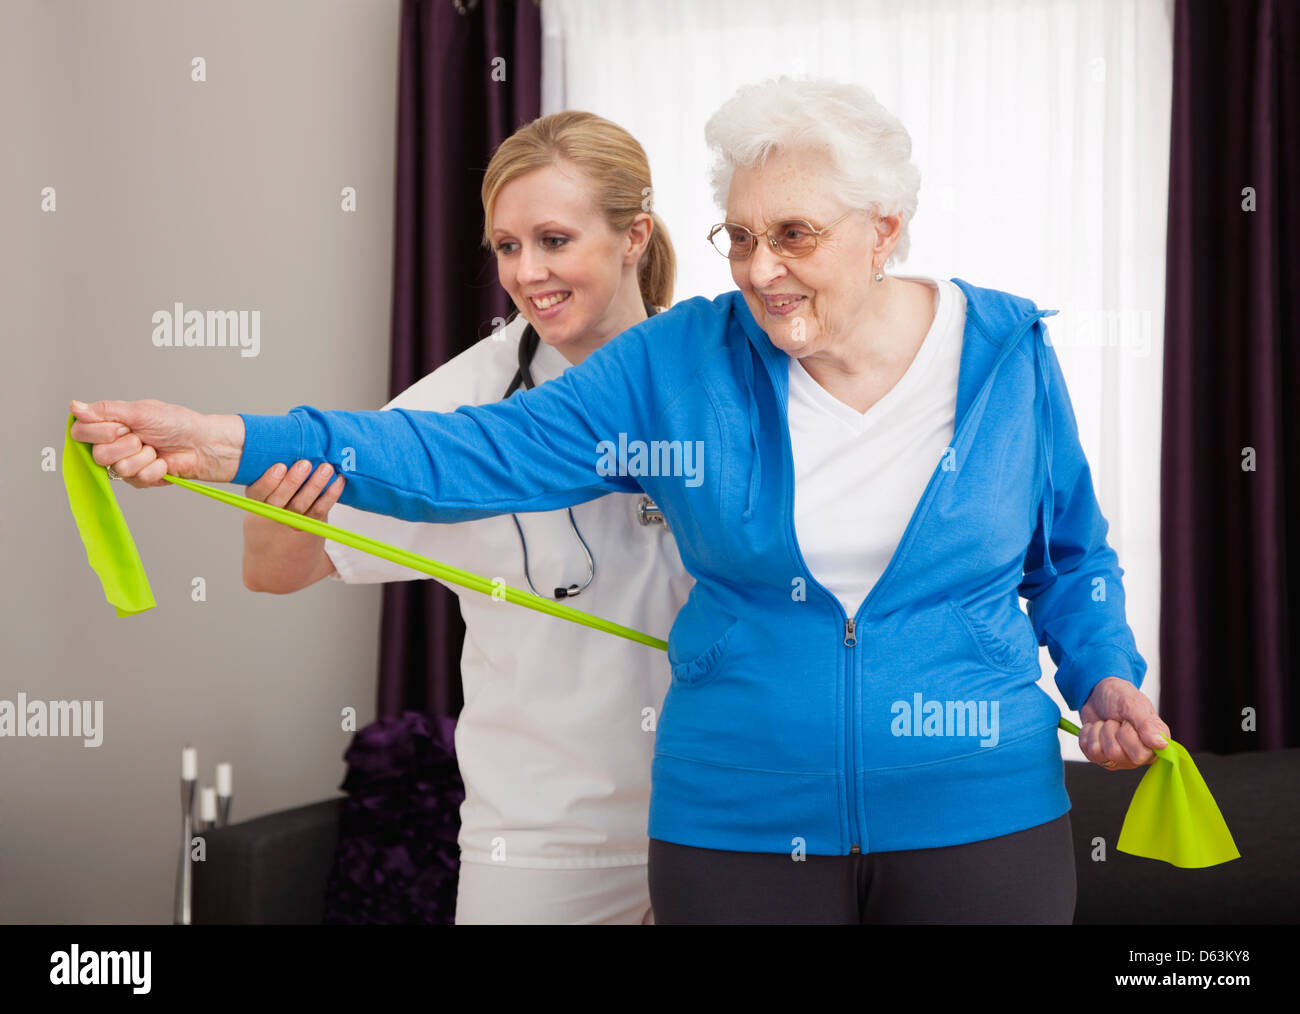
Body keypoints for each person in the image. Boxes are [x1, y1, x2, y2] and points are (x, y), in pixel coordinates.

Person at [71, 77, 1171, 924]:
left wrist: (1105, 668)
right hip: (718, 820)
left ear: (885, 231)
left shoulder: (1005, 356)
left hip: (976, 809)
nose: (758, 269)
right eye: (738, 235)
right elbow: (468, 453)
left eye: (794, 235)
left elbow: (1067, 556)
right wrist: (228, 442)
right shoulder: (683, 361)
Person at [228, 111, 692, 924]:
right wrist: (276, 486)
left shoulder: (710, 377)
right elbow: (276, 571)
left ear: (634, 236)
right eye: (507, 247)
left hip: (716, 822)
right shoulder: (464, 402)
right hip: (543, 846)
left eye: (553, 239)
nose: (527, 272)